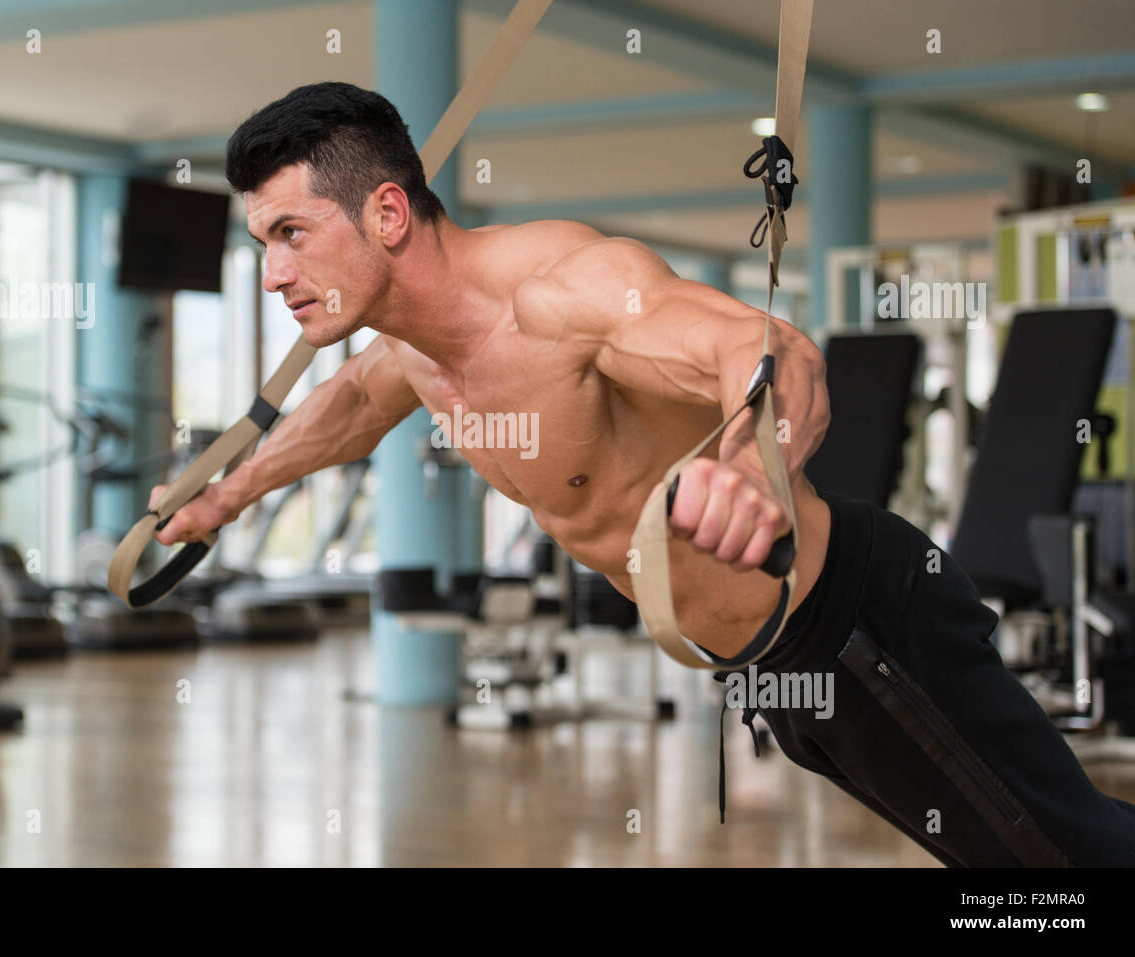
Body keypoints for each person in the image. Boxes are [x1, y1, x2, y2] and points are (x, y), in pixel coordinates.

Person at [151, 81, 1135, 866]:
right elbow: (354, 406)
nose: (274, 273)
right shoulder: (414, 351)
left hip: (860, 627)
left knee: (1058, 869)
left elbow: (775, 356)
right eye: (262, 244)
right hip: (778, 666)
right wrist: (234, 491)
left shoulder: (560, 297)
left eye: (290, 234)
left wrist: (752, 465)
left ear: (389, 212)